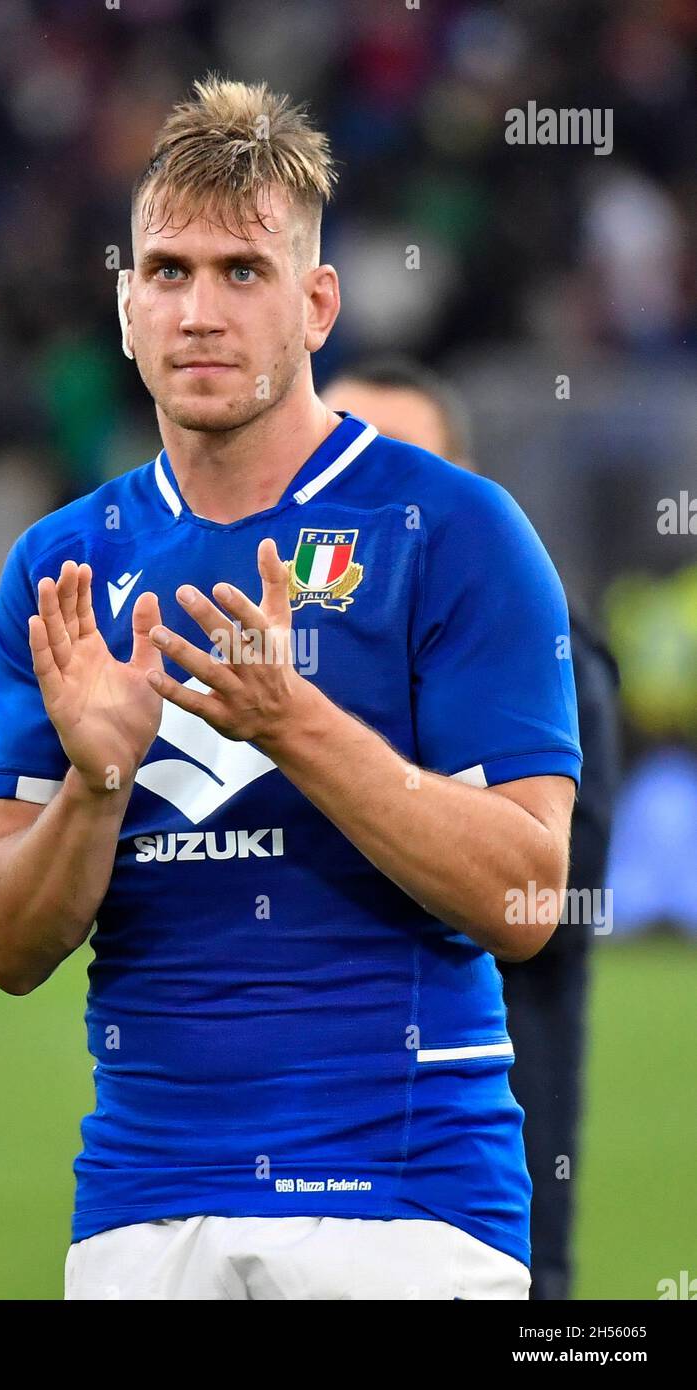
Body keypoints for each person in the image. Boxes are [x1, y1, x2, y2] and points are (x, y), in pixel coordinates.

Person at [0, 77, 582, 1301]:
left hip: (407, 1208)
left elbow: (525, 894)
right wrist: (94, 783)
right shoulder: (61, 568)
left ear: (315, 303)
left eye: (242, 272)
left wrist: (292, 721)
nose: (199, 310)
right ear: (125, 303)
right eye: (168, 270)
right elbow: (3, 943)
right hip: (144, 1207)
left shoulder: (454, 528)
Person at [322, 356, 620, 1300]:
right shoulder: (274, 653)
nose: (365, 490)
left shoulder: (541, 639)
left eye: (400, 460)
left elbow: (556, 893)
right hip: (289, 1167)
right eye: (335, 454)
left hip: (476, 1170)